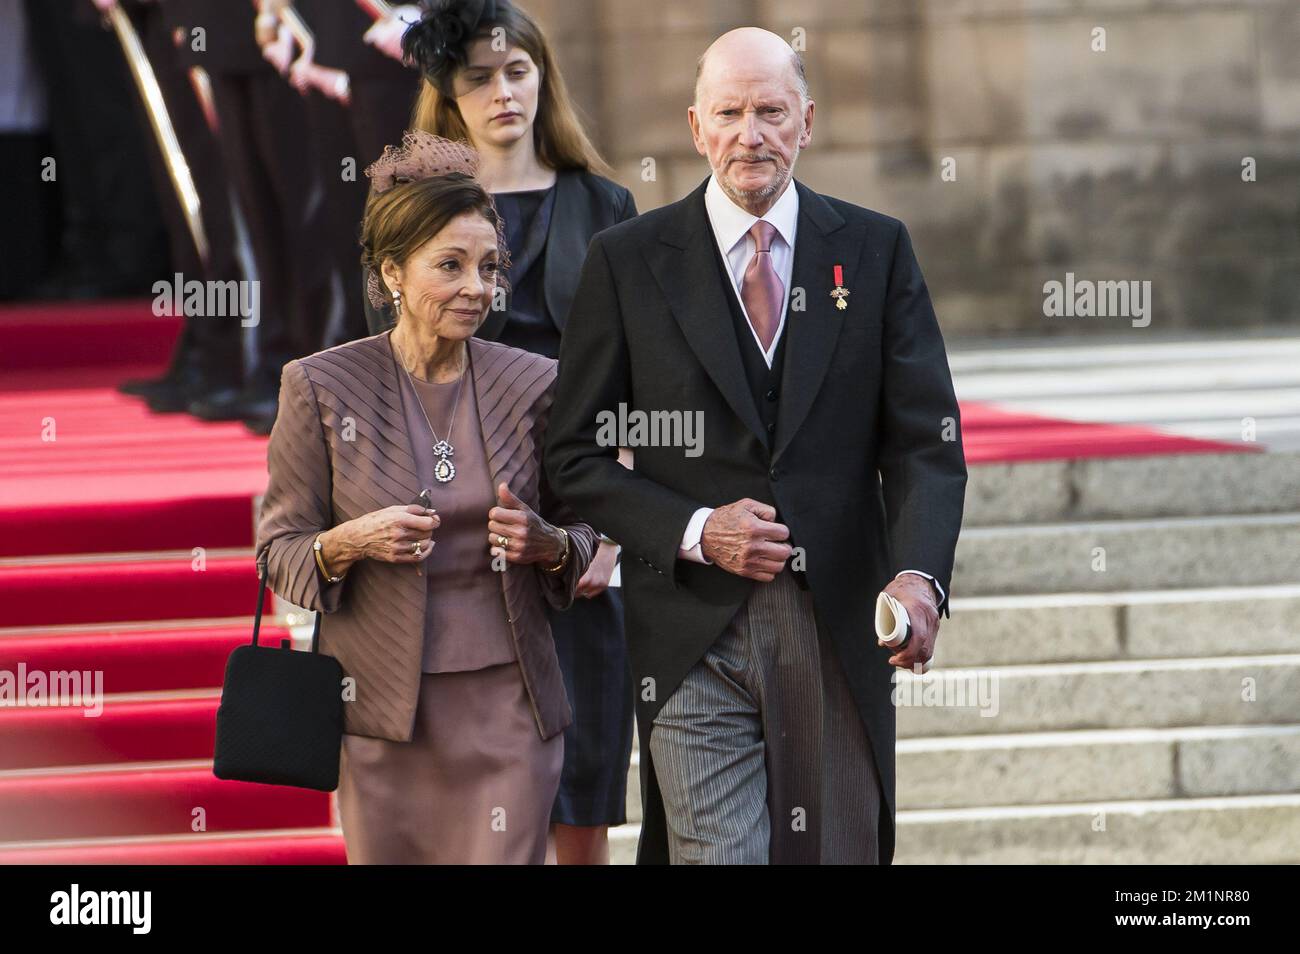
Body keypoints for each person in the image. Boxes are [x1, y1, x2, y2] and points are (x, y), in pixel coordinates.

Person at [544, 28, 968, 864]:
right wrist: (698, 528)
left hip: (839, 625)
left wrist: (920, 577)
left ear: (807, 121)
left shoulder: (876, 252)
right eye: (730, 113)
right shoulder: (627, 261)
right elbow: (575, 454)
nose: (751, 133)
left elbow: (925, 442)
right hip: (688, 631)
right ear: (696, 127)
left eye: (771, 111)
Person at [255, 134, 596, 864]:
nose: (478, 287)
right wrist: (352, 540)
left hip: (512, 708)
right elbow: (278, 550)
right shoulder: (318, 386)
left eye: (488, 267)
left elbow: (585, 530)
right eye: (451, 266)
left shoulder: (535, 382)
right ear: (393, 274)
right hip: (377, 715)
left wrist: (550, 543)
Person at [373, 0, 637, 865]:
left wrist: (612, 533)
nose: (502, 94)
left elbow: (641, 377)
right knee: (474, 780)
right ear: (449, 97)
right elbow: (381, 371)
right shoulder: (410, 213)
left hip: (576, 519)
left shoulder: (604, 203)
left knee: (583, 775)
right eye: (479, 79)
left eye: (517, 71)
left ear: (542, 78)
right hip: (451, 527)